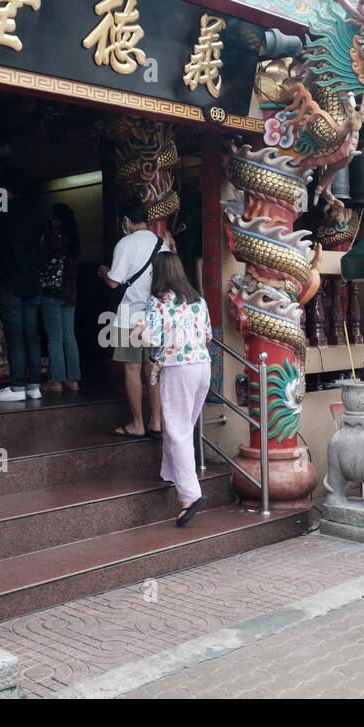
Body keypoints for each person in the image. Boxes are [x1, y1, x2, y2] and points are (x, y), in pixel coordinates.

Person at [139, 252, 213, 527]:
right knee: (183, 426)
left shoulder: (157, 302)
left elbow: (152, 339)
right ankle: (170, 472)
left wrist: (140, 331)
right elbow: (208, 336)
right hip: (202, 366)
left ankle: (190, 496)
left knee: (178, 430)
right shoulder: (198, 300)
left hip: (177, 368)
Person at [100, 199, 163, 438]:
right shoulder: (161, 242)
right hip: (155, 316)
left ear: (126, 221)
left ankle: (137, 424)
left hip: (130, 316)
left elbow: (114, 281)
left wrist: (102, 270)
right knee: (153, 369)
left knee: (132, 368)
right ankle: (156, 421)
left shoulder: (125, 243)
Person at [0, 170, 46, 402]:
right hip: (33, 283)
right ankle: (34, 386)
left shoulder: (2, 213)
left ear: (7, 191)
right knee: (32, 334)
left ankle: (17, 386)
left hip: (10, 281)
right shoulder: (37, 212)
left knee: (15, 336)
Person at [40, 202, 82, 392]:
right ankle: (73, 380)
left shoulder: (52, 238)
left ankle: (56, 381)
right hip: (70, 293)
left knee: (54, 337)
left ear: (57, 219)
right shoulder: (74, 240)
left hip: (52, 292)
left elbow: (41, 259)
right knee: (69, 337)